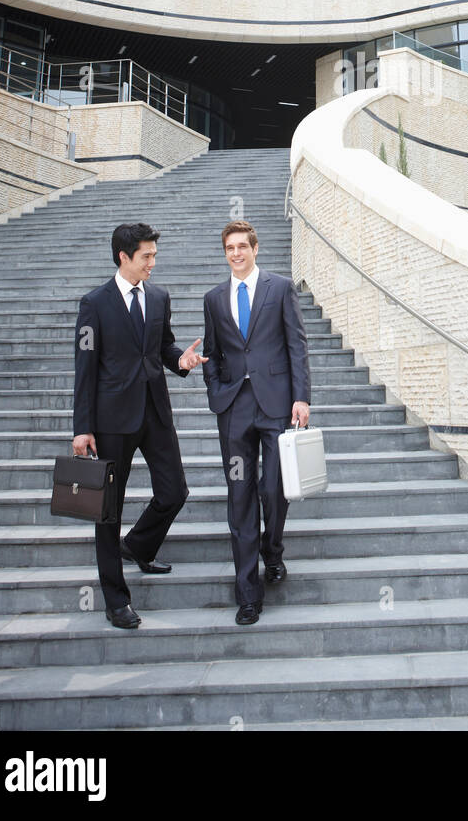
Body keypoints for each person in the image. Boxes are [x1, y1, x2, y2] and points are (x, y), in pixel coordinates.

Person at [72, 222, 205, 629]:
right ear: (123, 257)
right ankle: (115, 600)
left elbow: (164, 346)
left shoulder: (160, 297)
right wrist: (83, 427)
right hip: (112, 421)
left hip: (155, 412)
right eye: (146, 256)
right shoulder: (94, 303)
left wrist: (180, 360)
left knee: (175, 491)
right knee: (107, 511)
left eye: (154, 255)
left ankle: (139, 545)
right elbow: (85, 368)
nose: (153, 262)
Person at [202, 221, 311, 625]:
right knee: (240, 496)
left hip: (276, 404)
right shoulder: (213, 299)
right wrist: (215, 392)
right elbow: (211, 352)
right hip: (234, 409)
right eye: (229, 247)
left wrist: (301, 397)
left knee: (273, 488)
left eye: (242, 246)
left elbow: (297, 344)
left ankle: (273, 549)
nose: (236, 253)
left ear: (255, 248)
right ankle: (248, 594)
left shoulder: (280, 288)